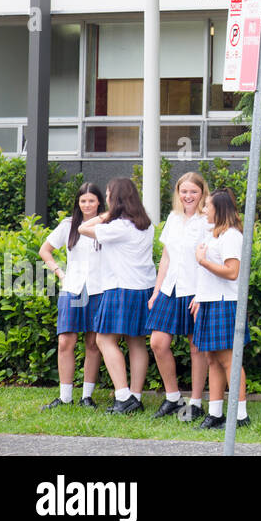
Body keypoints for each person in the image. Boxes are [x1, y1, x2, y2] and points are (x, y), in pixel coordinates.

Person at [79, 176, 157, 414]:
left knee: (104, 340)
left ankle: (123, 397)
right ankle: (135, 396)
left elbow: (83, 228)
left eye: (109, 194)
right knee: (136, 341)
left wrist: (107, 214)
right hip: (143, 287)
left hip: (120, 287)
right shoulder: (145, 224)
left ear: (117, 199)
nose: (107, 197)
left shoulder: (119, 227)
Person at [146, 172, 210, 420]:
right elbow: (166, 257)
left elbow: (209, 259)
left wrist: (203, 294)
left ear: (202, 193)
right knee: (157, 343)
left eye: (193, 191)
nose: (188, 196)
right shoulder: (173, 218)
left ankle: (195, 402)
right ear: (178, 193)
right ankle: (173, 397)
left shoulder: (208, 221)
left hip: (195, 290)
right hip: (170, 289)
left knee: (197, 347)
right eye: (184, 191)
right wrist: (156, 290)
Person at [37, 183, 107, 409]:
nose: (87, 205)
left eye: (91, 201)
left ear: (99, 203)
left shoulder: (107, 225)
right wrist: (59, 272)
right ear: (78, 203)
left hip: (99, 289)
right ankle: (65, 396)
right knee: (66, 341)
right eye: (83, 201)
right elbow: (44, 250)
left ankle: (87, 396)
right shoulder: (68, 225)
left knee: (93, 343)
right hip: (73, 288)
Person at [190, 188, 252, 429]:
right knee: (212, 359)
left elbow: (232, 272)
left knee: (229, 360)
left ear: (220, 209)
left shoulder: (231, 236)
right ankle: (215, 414)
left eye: (208, 206)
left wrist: (203, 261)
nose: (204, 209)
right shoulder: (213, 234)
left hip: (225, 302)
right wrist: (199, 297)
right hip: (210, 301)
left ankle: (240, 416)